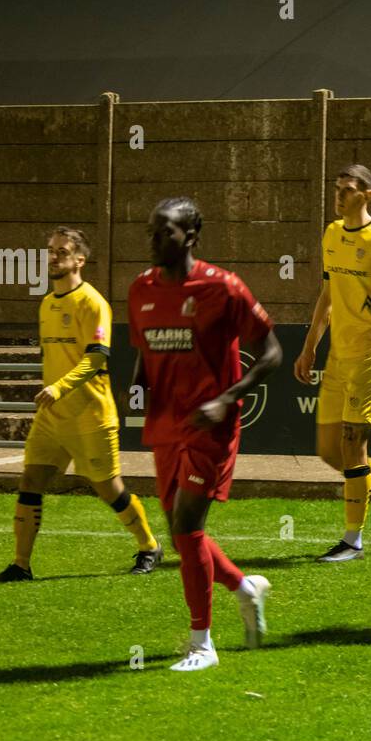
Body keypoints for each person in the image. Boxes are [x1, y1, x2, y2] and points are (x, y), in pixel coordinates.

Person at [128, 197, 283, 669]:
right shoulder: (140, 289)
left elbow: (272, 353)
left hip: (211, 427)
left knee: (188, 528)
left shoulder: (224, 288)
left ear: (191, 237)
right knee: (180, 535)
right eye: (152, 232)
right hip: (165, 426)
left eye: (165, 233)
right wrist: (136, 390)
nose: (154, 242)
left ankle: (202, 645)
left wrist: (226, 398)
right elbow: (144, 350)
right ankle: (244, 586)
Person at [0, 228, 161, 582]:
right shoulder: (46, 303)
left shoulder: (93, 303)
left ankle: (149, 546)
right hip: (52, 417)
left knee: (107, 487)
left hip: (90, 413)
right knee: (31, 478)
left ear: (80, 260)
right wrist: (52, 393)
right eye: (50, 250)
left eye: (62, 251)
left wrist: (59, 387)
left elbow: (96, 358)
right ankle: (21, 565)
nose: (53, 257)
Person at [293, 165, 371, 562]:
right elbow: (328, 293)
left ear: (368, 195)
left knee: (353, 443)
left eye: (348, 190)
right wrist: (309, 345)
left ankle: (353, 541)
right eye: (337, 188)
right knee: (330, 452)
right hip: (338, 355)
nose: (339, 195)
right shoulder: (332, 233)